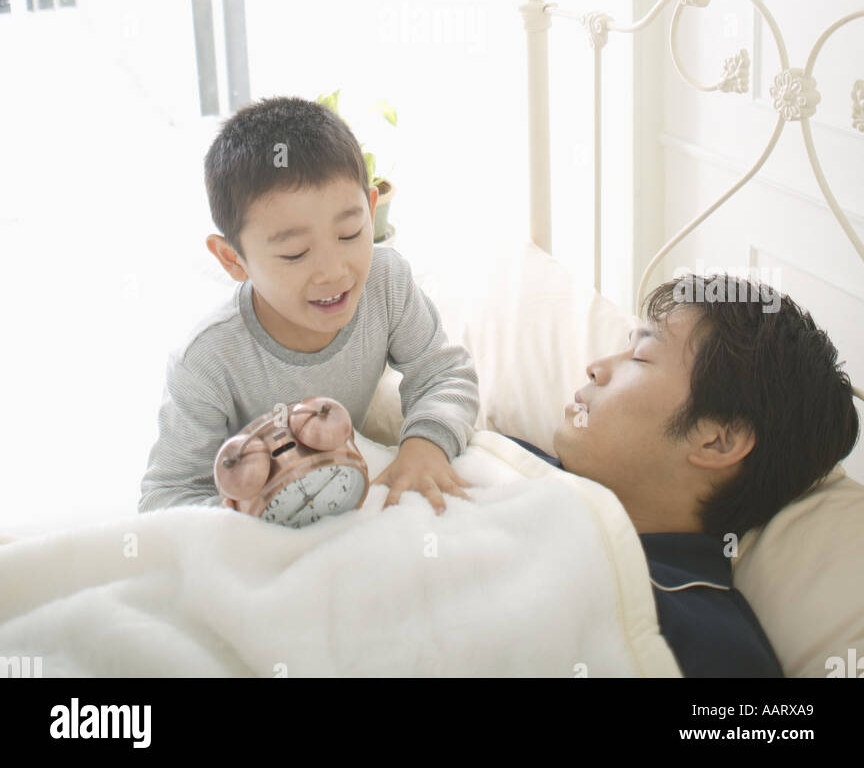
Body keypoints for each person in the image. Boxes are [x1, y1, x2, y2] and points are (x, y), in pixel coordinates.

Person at [139, 96, 480, 518]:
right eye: (296, 254)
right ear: (233, 259)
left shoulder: (384, 283)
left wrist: (425, 446)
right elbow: (166, 497)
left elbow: (444, 373)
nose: (332, 273)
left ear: (371, 212)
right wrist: (261, 508)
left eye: (350, 233)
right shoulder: (208, 361)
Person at [505, 274, 860, 679]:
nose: (595, 367)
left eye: (640, 356)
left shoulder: (710, 646)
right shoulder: (485, 454)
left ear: (717, 441)